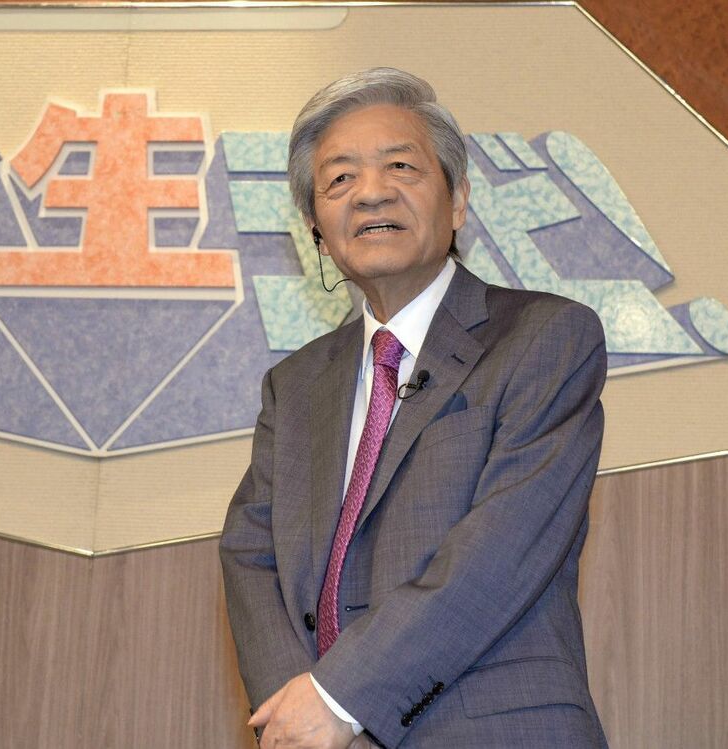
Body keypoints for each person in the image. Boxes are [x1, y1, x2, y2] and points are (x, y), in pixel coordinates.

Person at [220, 68, 608, 748]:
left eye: (400, 165)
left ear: (457, 200)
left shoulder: (546, 337)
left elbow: (503, 547)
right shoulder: (295, 384)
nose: (371, 191)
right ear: (316, 230)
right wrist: (298, 712)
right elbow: (251, 553)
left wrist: (340, 697)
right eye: (340, 178)